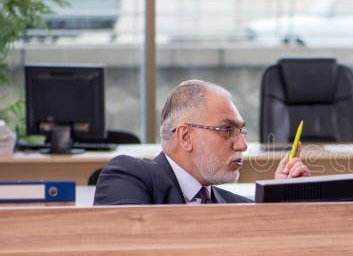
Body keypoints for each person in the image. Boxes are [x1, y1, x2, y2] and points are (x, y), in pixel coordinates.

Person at [94, 79, 309, 205]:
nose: (242, 145)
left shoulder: (239, 205)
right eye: (227, 130)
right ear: (185, 137)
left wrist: (281, 199)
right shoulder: (127, 176)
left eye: (241, 131)